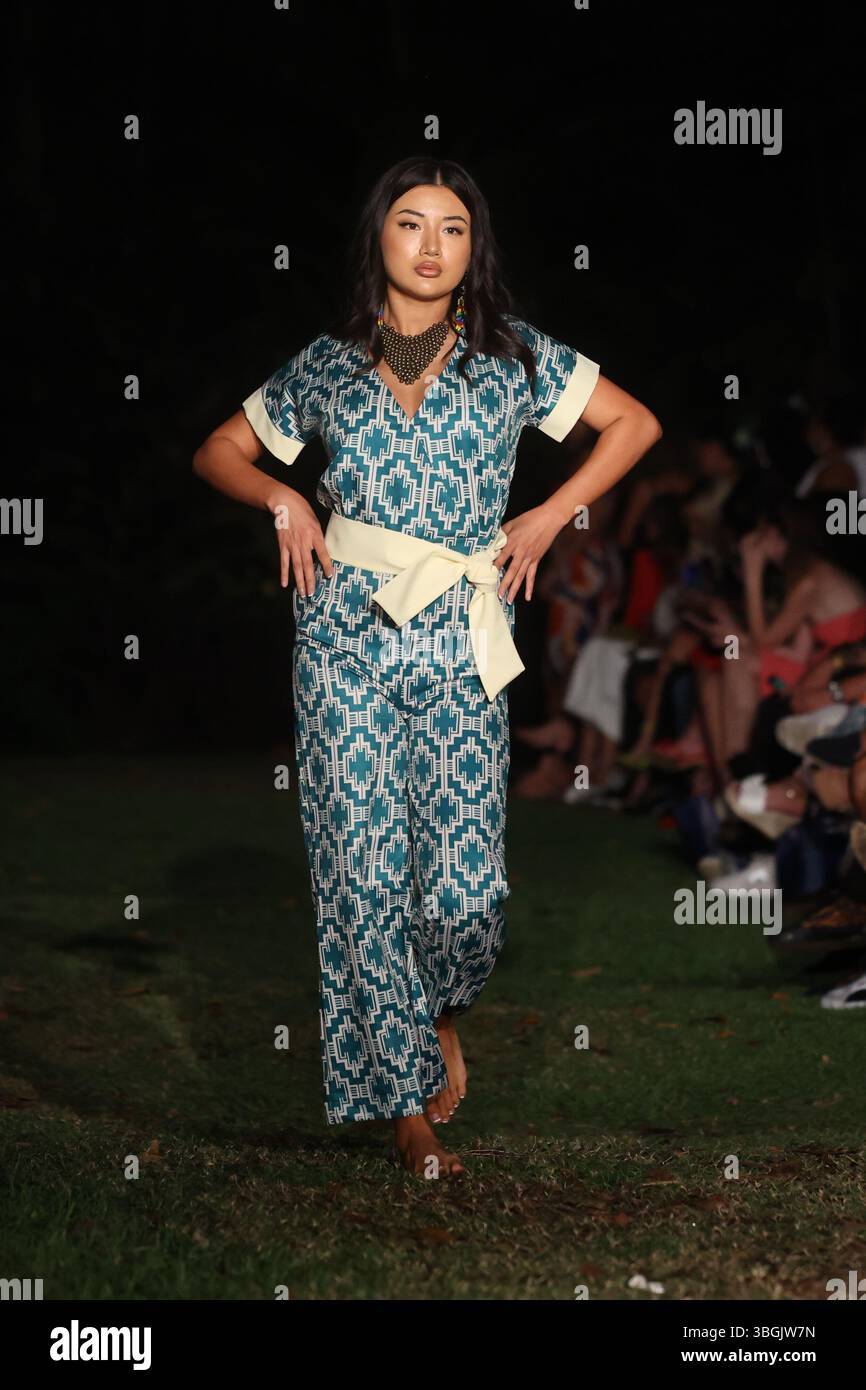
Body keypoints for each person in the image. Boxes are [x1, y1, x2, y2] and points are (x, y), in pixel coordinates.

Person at [192, 156, 661, 1178]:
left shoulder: (511, 354)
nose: (431, 243)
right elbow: (219, 449)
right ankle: (402, 1102)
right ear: (380, 238)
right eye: (410, 223)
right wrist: (283, 498)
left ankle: (435, 1005)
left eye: (451, 227)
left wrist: (545, 511)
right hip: (340, 632)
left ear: (471, 247)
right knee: (361, 867)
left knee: (464, 890)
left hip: (459, 633)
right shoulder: (325, 362)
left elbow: (633, 423)